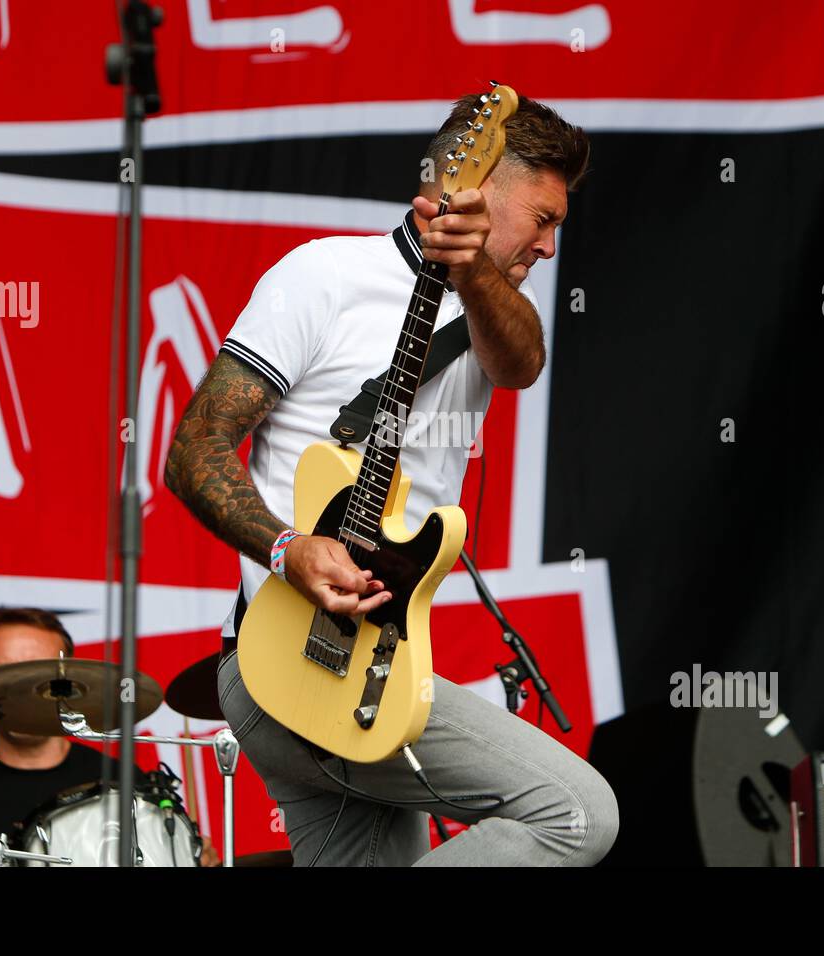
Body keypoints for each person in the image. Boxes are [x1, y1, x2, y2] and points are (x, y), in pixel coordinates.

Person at [165, 94, 619, 866]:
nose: (548, 245)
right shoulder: (324, 275)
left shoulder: (493, 311)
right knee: (576, 811)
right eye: (542, 218)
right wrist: (287, 549)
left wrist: (472, 264)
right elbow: (195, 447)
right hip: (275, 657)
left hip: (373, 662)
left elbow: (522, 362)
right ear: (469, 189)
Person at [0, 607, 215, 866]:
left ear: (69, 684)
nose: (23, 690)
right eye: (5, 675)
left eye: (38, 675)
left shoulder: (123, 785)